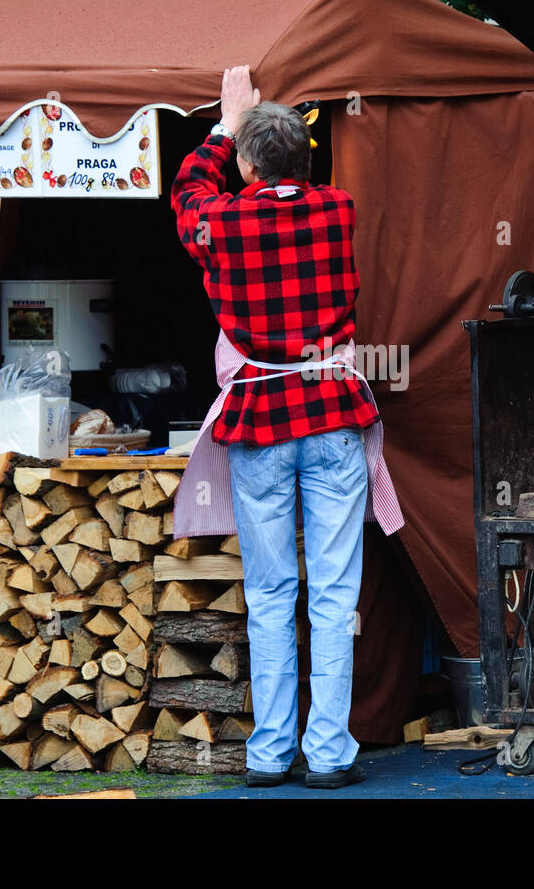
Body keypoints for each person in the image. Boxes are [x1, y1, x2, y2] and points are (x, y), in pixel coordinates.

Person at [170, 66, 403, 789]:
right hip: (332, 414)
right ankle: (328, 753)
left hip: (260, 423)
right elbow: (283, 174)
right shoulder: (340, 209)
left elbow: (187, 195)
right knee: (335, 594)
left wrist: (224, 123)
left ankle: (270, 753)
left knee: (271, 593)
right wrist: (262, 131)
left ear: (243, 164)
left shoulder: (223, 220)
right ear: (309, 161)